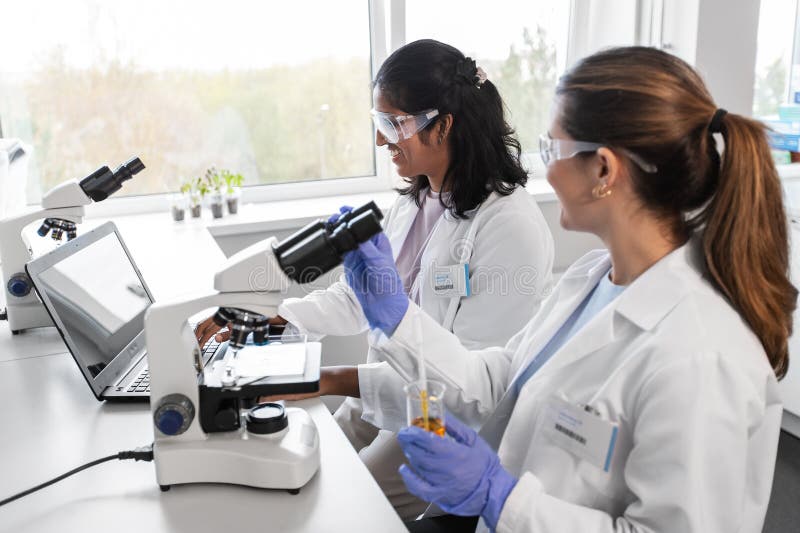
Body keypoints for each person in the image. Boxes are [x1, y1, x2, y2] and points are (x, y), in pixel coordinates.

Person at [343, 46, 797, 532]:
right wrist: (396, 317)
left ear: (603, 169)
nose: (547, 170)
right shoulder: (591, 278)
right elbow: (499, 383)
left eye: (551, 150)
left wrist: (502, 498)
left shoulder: (702, 354)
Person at [194, 39, 554, 520]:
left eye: (393, 124)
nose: (381, 141)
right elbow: (360, 296)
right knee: (290, 468)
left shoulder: (510, 228)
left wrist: (330, 379)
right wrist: (273, 321)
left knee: (337, 503)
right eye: (377, 122)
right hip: (382, 397)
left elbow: (469, 390)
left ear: (443, 124)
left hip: (440, 426)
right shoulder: (417, 200)